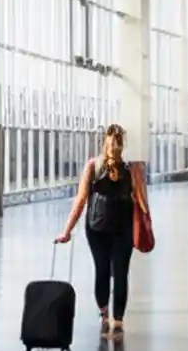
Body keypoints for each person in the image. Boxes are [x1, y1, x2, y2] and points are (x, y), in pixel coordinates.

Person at [55, 124, 134, 338]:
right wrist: (146, 229)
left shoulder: (93, 165)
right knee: (120, 274)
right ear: (122, 145)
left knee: (102, 270)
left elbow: (81, 200)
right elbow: (141, 203)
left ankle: (104, 312)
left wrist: (67, 230)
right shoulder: (132, 169)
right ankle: (118, 320)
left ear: (104, 143)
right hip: (124, 229)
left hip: (96, 228)